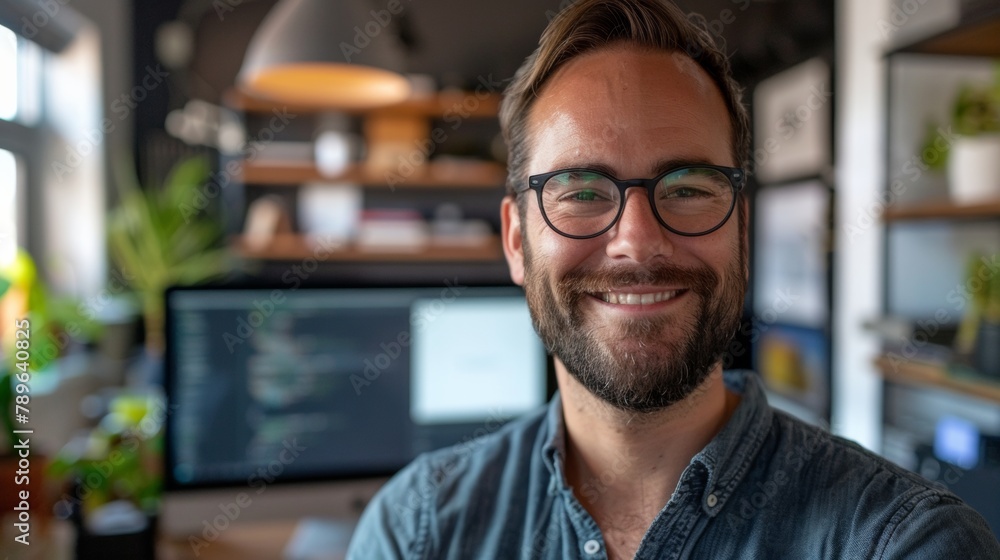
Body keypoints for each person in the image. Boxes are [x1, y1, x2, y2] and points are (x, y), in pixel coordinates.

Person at [347, 0, 1000, 558]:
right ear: (517, 240)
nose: (637, 240)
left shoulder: (903, 542)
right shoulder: (416, 532)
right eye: (580, 191)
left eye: (688, 187)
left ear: (741, 230)